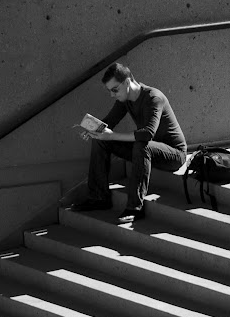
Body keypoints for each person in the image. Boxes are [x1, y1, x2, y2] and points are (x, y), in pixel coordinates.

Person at [70, 62, 188, 222]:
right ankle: (98, 197)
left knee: (141, 146)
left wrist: (112, 136)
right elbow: (110, 122)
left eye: (114, 90)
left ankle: (134, 208)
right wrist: (93, 130)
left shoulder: (153, 97)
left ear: (127, 82)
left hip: (174, 155)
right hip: (146, 150)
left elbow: (147, 133)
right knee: (100, 141)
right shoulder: (124, 99)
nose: (112, 95)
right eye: (110, 91)